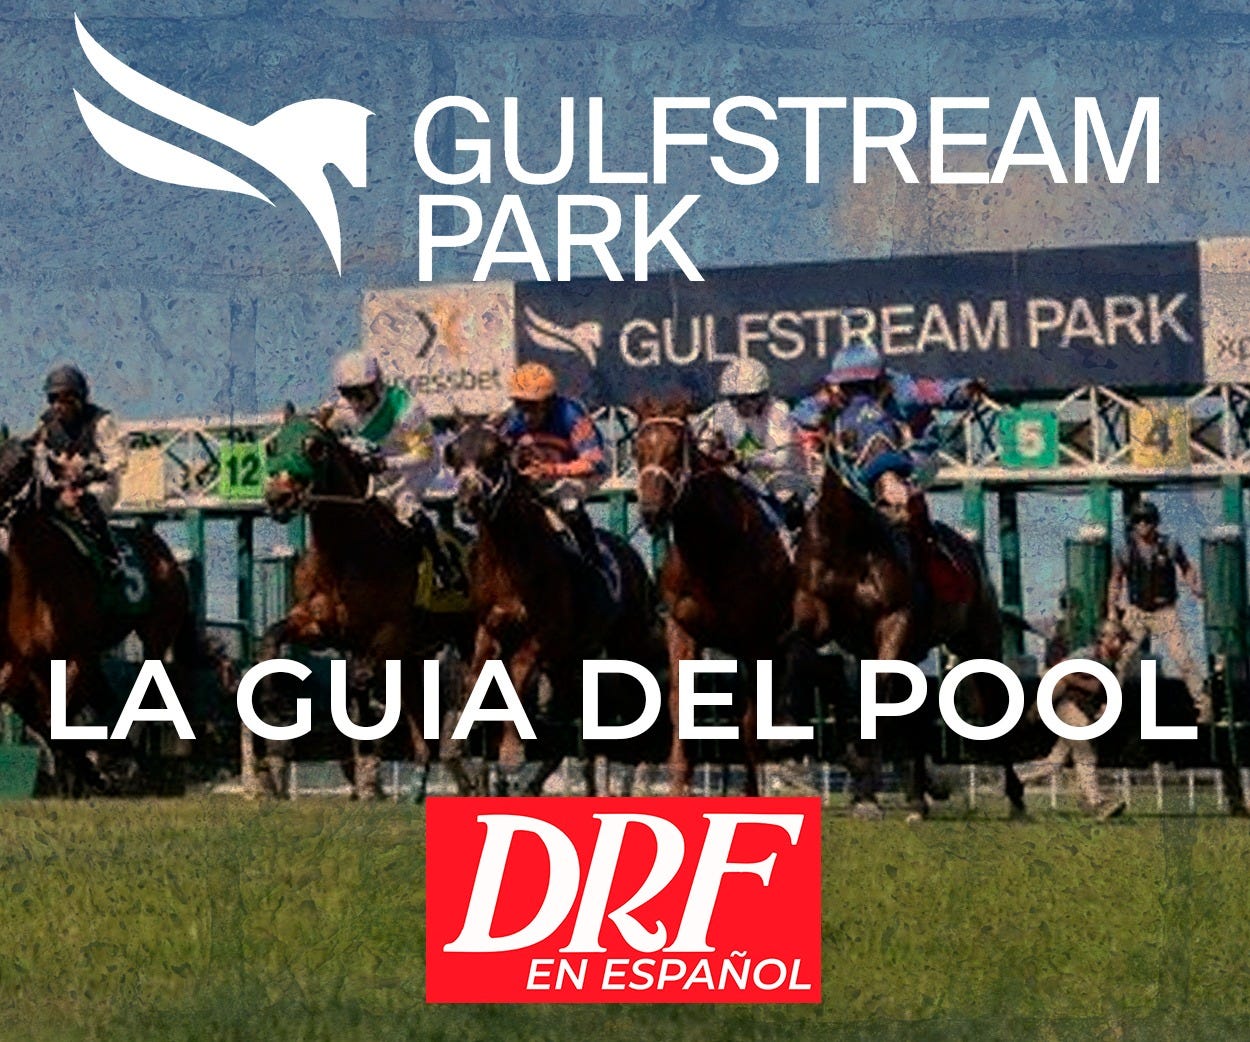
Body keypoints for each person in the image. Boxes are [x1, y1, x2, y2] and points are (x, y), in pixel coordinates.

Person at [793, 342, 984, 589]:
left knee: (909, 504)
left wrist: (967, 389)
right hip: (857, 465)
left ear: (881, 380)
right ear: (838, 385)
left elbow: (943, 391)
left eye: (867, 386)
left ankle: (933, 552)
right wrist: (816, 425)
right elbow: (800, 414)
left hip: (913, 456)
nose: (859, 394)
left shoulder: (904, 389)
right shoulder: (829, 398)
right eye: (850, 387)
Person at [325, 350, 458, 589]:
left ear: (377, 385)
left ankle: (442, 565)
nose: (354, 402)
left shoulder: (406, 409)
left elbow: (424, 454)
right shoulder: (342, 408)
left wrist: (387, 463)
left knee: (406, 504)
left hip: (418, 465)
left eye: (360, 394)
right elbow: (321, 425)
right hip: (381, 463)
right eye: (347, 393)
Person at [1016, 618, 1129, 821]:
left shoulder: (1111, 665)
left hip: (1082, 713)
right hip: (1069, 708)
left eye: (1123, 640)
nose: (1121, 644)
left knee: (1053, 764)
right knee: (1085, 755)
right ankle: (1097, 802)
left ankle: (1013, 780)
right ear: (1103, 638)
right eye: (1117, 639)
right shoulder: (1088, 657)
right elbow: (1056, 674)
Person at [1108, 499, 1210, 723]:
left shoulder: (1169, 545)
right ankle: (1107, 706)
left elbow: (1186, 567)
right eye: (1138, 520)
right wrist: (1112, 611)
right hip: (1137, 611)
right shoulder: (1125, 550)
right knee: (1121, 659)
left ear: (1155, 522)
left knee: (1182, 658)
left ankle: (1203, 703)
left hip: (1165, 611)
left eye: (1148, 520)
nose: (1143, 525)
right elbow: (1116, 579)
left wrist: (1194, 585)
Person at [496, 362, 608, 566]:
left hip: (579, 472)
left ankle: (592, 559)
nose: (526, 413)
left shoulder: (571, 415)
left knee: (568, 501)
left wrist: (554, 470)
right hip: (539, 474)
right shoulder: (512, 418)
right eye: (520, 404)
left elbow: (595, 463)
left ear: (548, 402)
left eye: (533, 405)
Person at [31, 364, 128, 576]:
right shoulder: (46, 424)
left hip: (100, 485)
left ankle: (111, 556)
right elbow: (38, 457)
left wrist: (93, 474)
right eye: (53, 399)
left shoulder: (101, 422)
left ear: (79, 398)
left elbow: (120, 459)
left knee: (87, 501)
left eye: (64, 399)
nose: (58, 406)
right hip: (61, 485)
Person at [695, 357, 809, 530]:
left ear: (763, 395)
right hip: (745, 478)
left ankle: (790, 536)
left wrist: (739, 457)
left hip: (783, 477)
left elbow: (781, 459)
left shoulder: (779, 411)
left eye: (747, 399)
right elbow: (702, 445)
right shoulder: (723, 411)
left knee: (785, 495)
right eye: (734, 399)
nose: (740, 405)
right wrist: (711, 450)